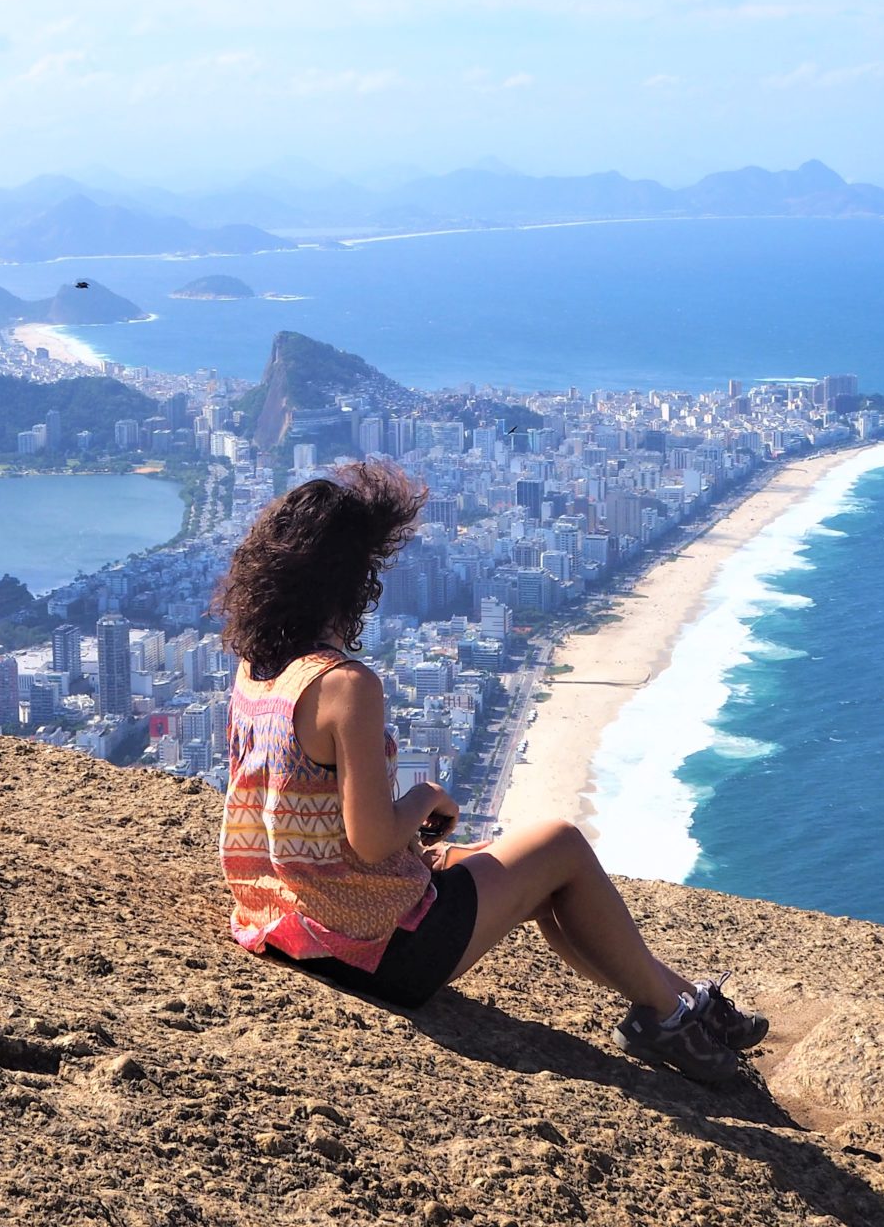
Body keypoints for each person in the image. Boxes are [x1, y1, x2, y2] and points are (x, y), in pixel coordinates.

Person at [213, 458, 765, 1084]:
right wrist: (423, 796)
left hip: (288, 922)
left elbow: (304, 821)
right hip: (377, 952)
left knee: (517, 867)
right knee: (560, 845)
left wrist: (425, 851)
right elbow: (369, 837)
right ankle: (672, 1020)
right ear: (351, 577)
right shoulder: (343, 685)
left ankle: (684, 1005)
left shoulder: (255, 672)